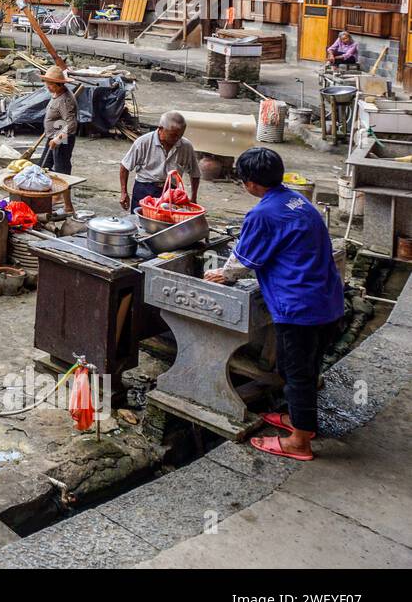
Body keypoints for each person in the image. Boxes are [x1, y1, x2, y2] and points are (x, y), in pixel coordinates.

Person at [204, 147, 344, 460]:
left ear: (251, 183)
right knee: (308, 367)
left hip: (299, 308)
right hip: (328, 301)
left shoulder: (262, 213)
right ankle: (301, 422)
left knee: (297, 374)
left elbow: (243, 261)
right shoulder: (298, 200)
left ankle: (299, 441)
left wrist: (222, 274)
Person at [119, 111, 200, 213]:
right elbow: (124, 166)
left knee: (167, 224)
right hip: (145, 188)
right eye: (173, 135)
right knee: (140, 223)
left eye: (180, 135)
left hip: (171, 192)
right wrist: (124, 192)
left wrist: (194, 197)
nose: (177, 139)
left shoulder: (186, 146)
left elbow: (195, 174)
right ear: (160, 129)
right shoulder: (143, 142)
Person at [39, 66, 78, 214]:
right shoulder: (57, 93)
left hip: (62, 140)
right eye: (47, 83)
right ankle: (54, 197)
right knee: (44, 168)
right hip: (52, 136)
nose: (47, 86)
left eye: (50, 84)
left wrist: (57, 138)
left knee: (62, 173)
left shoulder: (65, 100)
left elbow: (71, 124)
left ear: (59, 84)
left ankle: (68, 206)